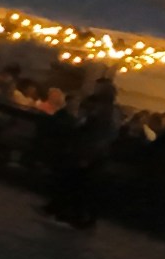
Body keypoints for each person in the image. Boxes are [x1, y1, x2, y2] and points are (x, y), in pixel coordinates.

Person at [43, 76, 119, 230]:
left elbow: (92, 130)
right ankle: (75, 215)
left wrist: (86, 152)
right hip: (94, 152)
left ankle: (70, 215)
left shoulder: (99, 109)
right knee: (83, 185)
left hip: (87, 150)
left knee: (76, 183)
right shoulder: (111, 110)